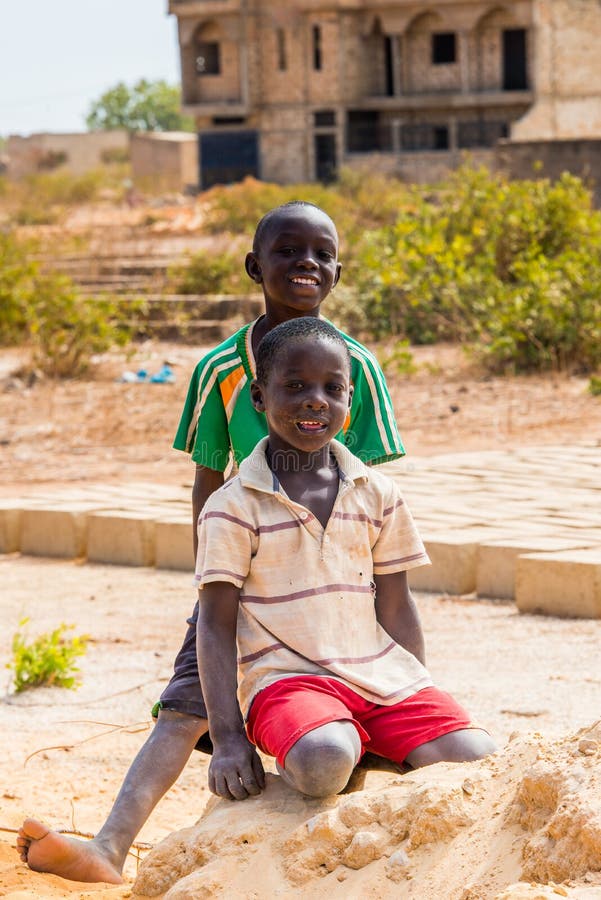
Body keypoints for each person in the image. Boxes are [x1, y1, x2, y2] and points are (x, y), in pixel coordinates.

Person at [17, 201, 406, 883]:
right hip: (243, 574)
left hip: (332, 584)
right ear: (255, 266)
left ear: (338, 272)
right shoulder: (220, 368)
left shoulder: (358, 369)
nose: (304, 264)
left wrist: (370, 586)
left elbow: (371, 487)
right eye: (286, 251)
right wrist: (214, 579)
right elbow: (207, 479)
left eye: (320, 253)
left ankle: (349, 843)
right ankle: (110, 846)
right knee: (187, 706)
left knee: (354, 705)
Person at [197, 317, 496, 802]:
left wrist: (415, 689)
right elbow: (214, 625)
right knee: (324, 761)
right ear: (259, 397)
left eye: (332, 388)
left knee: (479, 762)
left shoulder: (378, 493)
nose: (315, 400)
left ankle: (370, 737)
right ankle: (345, 741)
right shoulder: (233, 506)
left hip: (383, 679)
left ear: (349, 400)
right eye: (294, 386)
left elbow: (396, 606)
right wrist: (228, 738)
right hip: (288, 683)